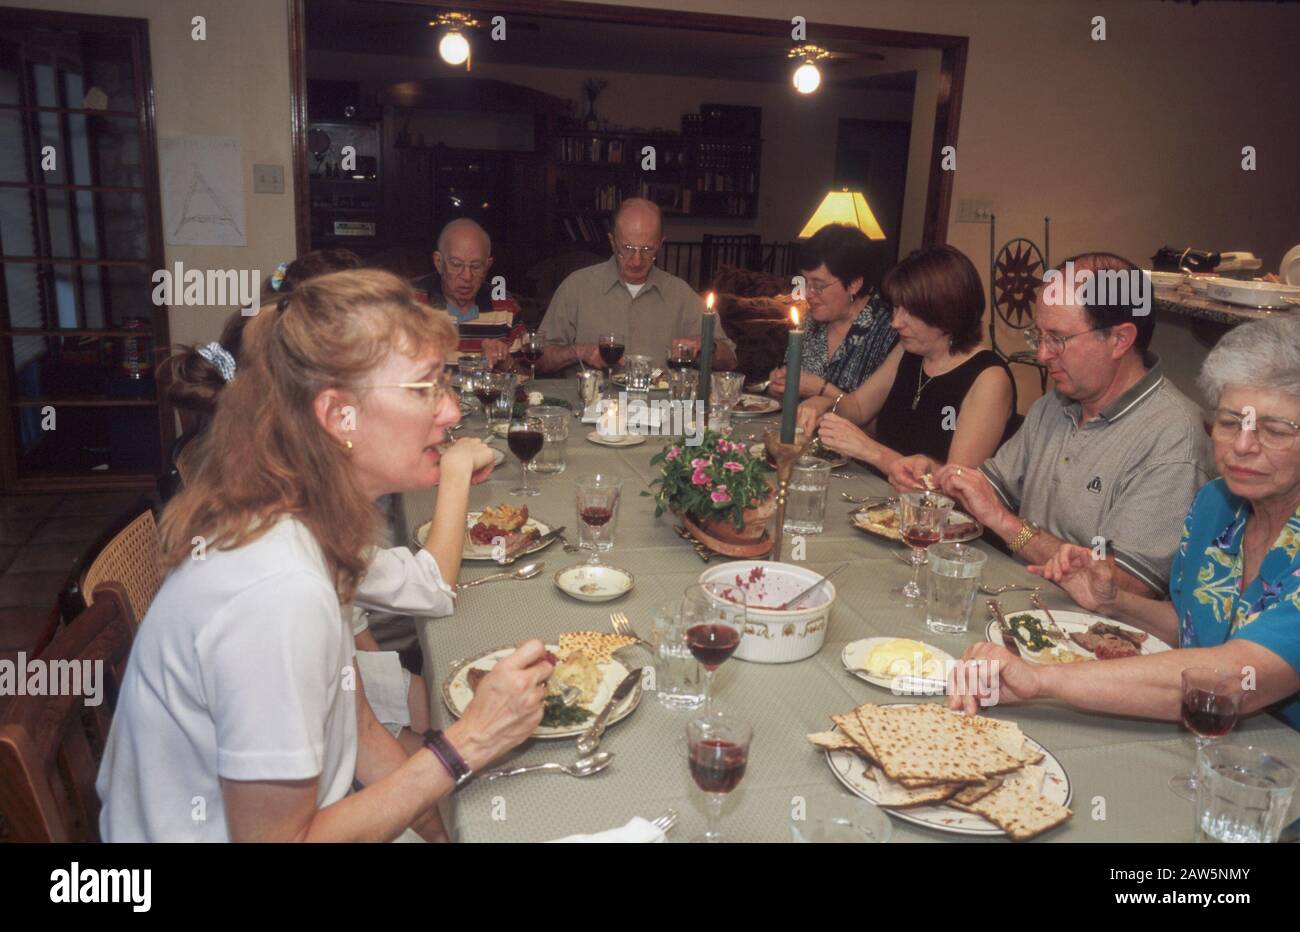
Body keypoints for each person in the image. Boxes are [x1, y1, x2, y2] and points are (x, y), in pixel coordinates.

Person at [98, 270, 548, 841]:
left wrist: (438, 833)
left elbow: (354, 722)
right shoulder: (277, 591)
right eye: (424, 389)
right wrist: (470, 743)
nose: (452, 412)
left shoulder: (306, 518)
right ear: (339, 418)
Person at [949, 315, 1300, 731]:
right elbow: (1193, 623)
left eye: (1275, 431)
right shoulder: (1217, 506)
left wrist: (1040, 680)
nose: (1242, 445)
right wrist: (1114, 602)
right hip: (1198, 736)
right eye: (1228, 423)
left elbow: (1233, 675)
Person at [896, 252, 1214, 597]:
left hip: (1086, 629)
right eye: (1039, 337)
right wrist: (939, 477)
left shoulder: (1173, 437)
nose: (1042, 355)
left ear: (1119, 340)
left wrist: (1008, 526)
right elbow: (990, 490)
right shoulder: (1056, 404)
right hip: (1017, 595)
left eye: (1058, 339)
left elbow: (1127, 586)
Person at [793, 244, 1015, 473]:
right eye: (896, 308)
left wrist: (872, 451)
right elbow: (859, 407)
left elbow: (957, 484)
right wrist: (826, 403)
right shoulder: (909, 350)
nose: (896, 322)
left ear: (946, 311)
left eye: (910, 311)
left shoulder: (989, 379)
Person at [534, 197, 737, 374]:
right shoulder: (576, 287)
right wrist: (579, 352)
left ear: (660, 243)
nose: (637, 261)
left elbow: (730, 361)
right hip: (589, 410)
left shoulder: (681, 294)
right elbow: (538, 361)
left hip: (659, 412)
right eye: (628, 248)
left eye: (648, 249)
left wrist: (707, 347)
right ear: (612, 242)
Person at [766, 223, 898, 399]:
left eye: (818, 286)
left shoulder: (889, 331)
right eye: (804, 282)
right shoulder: (809, 322)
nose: (806, 293)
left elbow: (879, 420)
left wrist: (821, 389)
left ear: (854, 284)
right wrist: (777, 388)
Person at [412, 218, 524, 367]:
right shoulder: (410, 302)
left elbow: (525, 372)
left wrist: (504, 362)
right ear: (439, 262)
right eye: (456, 265)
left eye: (476, 266)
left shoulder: (505, 306)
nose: (467, 276)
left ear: (487, 266)